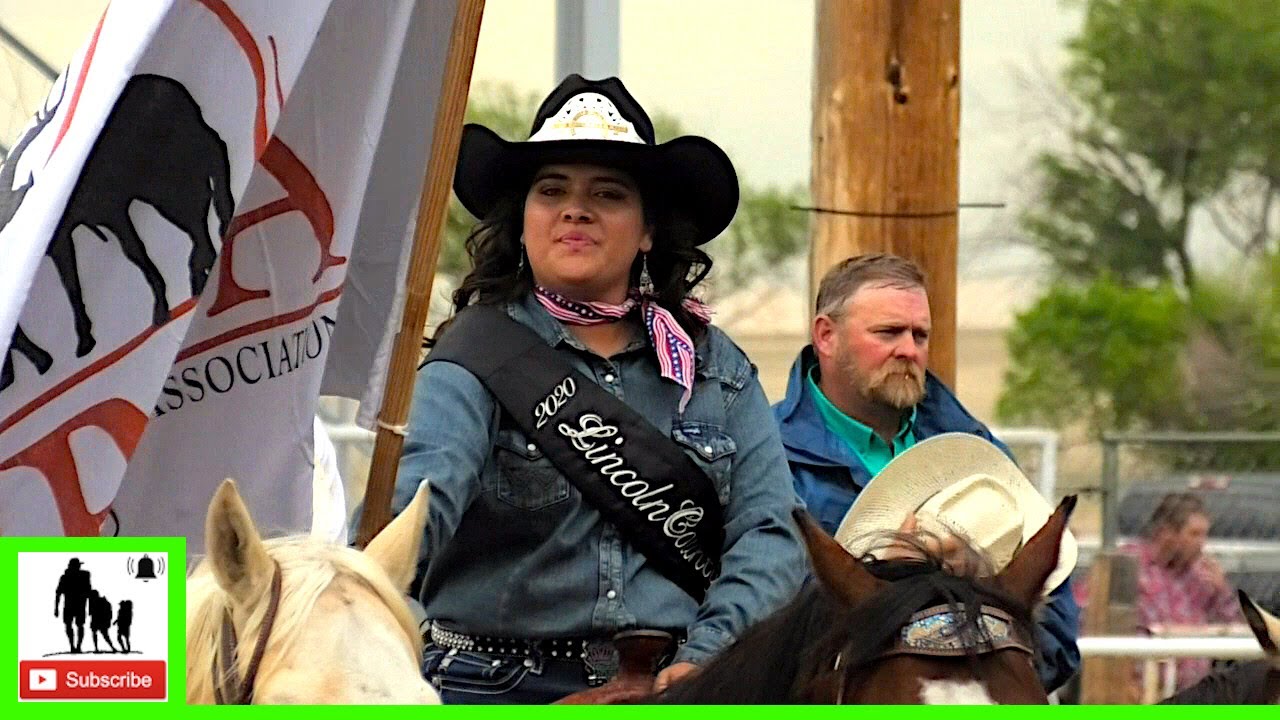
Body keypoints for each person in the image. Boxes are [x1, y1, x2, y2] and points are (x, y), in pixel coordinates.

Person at [391, 74, 806, 703]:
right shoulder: (471, 359)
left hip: (678, 685)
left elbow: (771, 532)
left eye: (607, 193)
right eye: (551, 190)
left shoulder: (714, 366)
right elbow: (418, 508)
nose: (575, 209)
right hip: (493, 686)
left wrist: (706, 656)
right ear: (523, 223)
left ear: (647, 231)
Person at [772, 253, 1081, 692]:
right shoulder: (766, 456)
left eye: (920, 335)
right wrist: (883, 573)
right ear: (826, 335)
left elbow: (1058, 634)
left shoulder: (978, 453)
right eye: (888, 332)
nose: (909, 350)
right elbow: (757, 628)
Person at [1096, 493, 1240, 693]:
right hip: (1141, 690)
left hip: (1194, 691)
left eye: (1204, 535)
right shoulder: (1129, 566)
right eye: (1194, 534)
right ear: (1166, 533)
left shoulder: (1200, 577)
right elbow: (1091, 617)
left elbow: (1233, 626)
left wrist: (1222, 590)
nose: (1201, 543)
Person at [54, 557, 91, 653]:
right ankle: (75, 646)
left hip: (73, 605)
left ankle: (75, 646)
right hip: (77, 605)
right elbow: (88, 591)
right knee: (76, 625)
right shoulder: (84, 575)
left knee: (74, 625)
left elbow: (58, 593)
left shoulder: (66, 577)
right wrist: (56, 608)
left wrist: (56, 608)